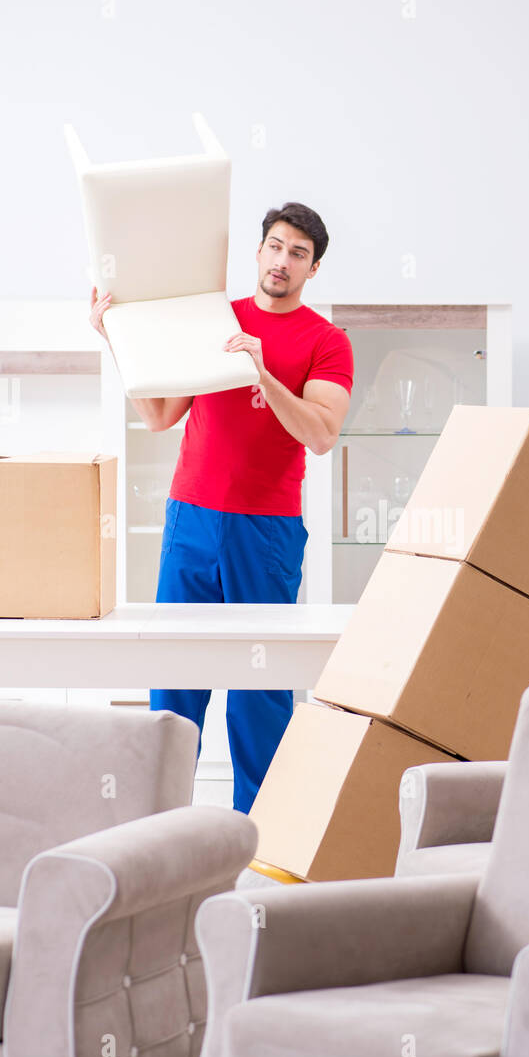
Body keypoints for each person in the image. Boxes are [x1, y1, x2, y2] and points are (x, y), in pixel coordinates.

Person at [90, 201, 353, 811]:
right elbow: (159, 416)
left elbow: (320, 434)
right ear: (258, 251)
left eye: (298, 253)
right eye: (276, 246)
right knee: (175, 681)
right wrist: (114, 338)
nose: (282, 261)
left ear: (313, 269)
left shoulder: (326, 341)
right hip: (192, 524)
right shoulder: (216, 320)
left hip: (267, 532)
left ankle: (258, 838)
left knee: (259, 693)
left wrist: (263, 375)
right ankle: (160, 828)